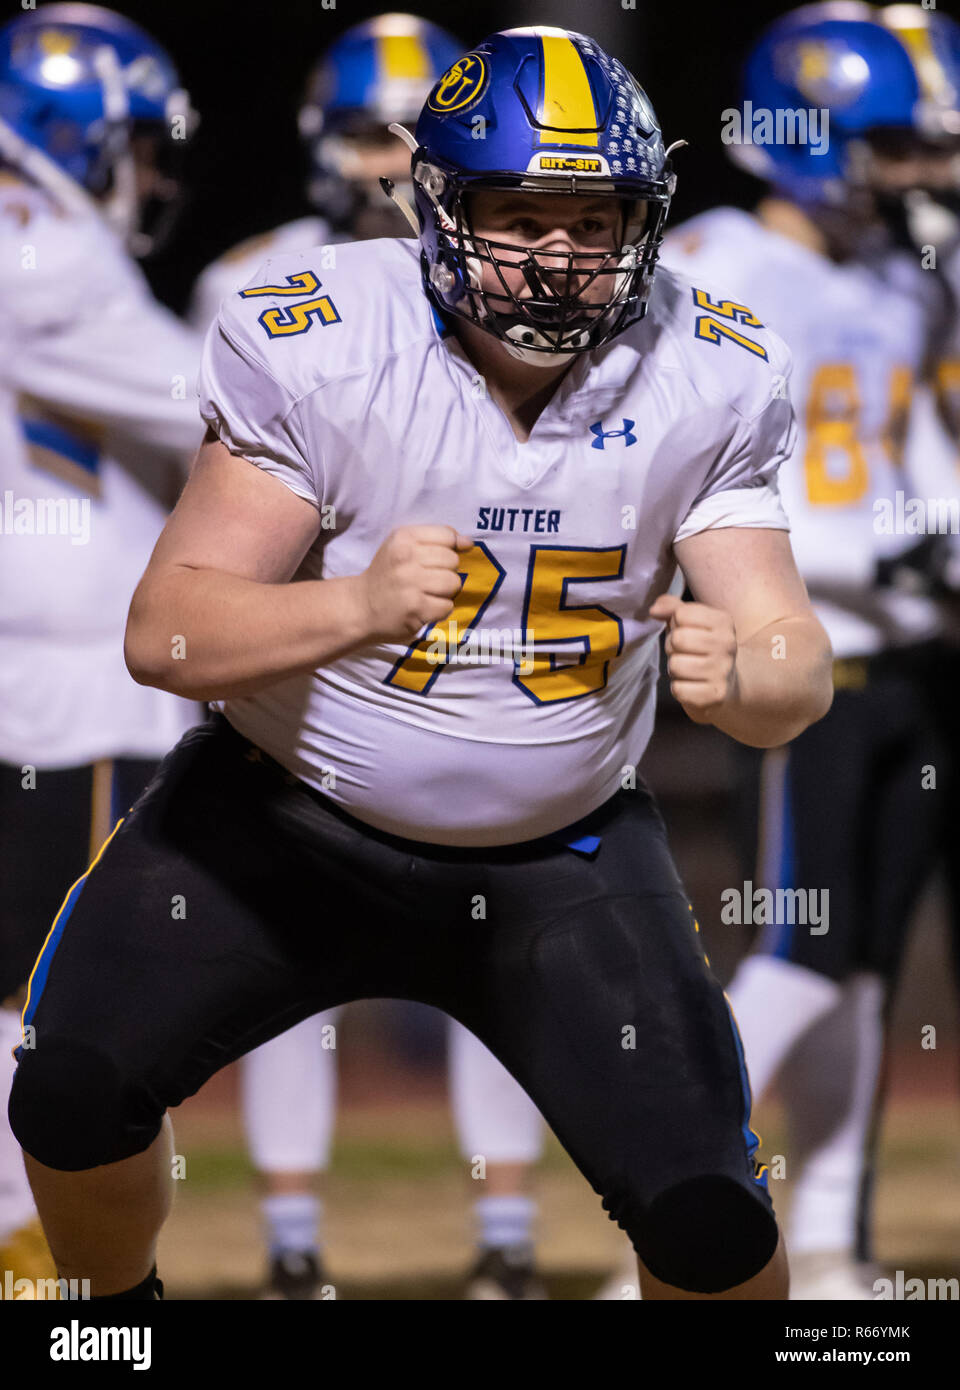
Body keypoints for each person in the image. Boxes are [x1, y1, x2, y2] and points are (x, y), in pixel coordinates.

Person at [9, 24, 833, 1301]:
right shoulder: (328, 334)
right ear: (441, 207)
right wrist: (354, 609)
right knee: (67, 1092)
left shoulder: (711, 367)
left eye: (599, 219)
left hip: (564, 857)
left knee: (715, 1229)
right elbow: (165, 632)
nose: (563, 257)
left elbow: (789, 656)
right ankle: (111, 1321)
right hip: (285, 826)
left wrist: (763, 675)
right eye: (523, 214)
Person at [191, 13, 549, 1302]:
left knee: (505, 951)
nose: (386, 162)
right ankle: (291, 1237)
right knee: (289, 970)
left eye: (412, 134)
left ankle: (507, 1235)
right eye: (363, 130)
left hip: (484, 660)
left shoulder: (523, 277)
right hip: (306, 667)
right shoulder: (259, 281)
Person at [663, 0, 960, 1299]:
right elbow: (694, 466)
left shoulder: (897, 278)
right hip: (804, 648)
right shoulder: (713, 261)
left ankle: (831, 1238)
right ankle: (664, 1194)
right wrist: (864, 554)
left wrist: (936, 541)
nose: (914, 173)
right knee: (797, 944)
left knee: (865, 965)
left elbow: (911, 454)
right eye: (890, 145)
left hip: (907, 650)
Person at [0, 3, 202, 1285]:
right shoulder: (44, 245)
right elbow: (220, 405)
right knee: (68, 1001)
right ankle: (52, 1266)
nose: (150, 172)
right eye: (133, 141)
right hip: (74, 675)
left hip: (44, 660)